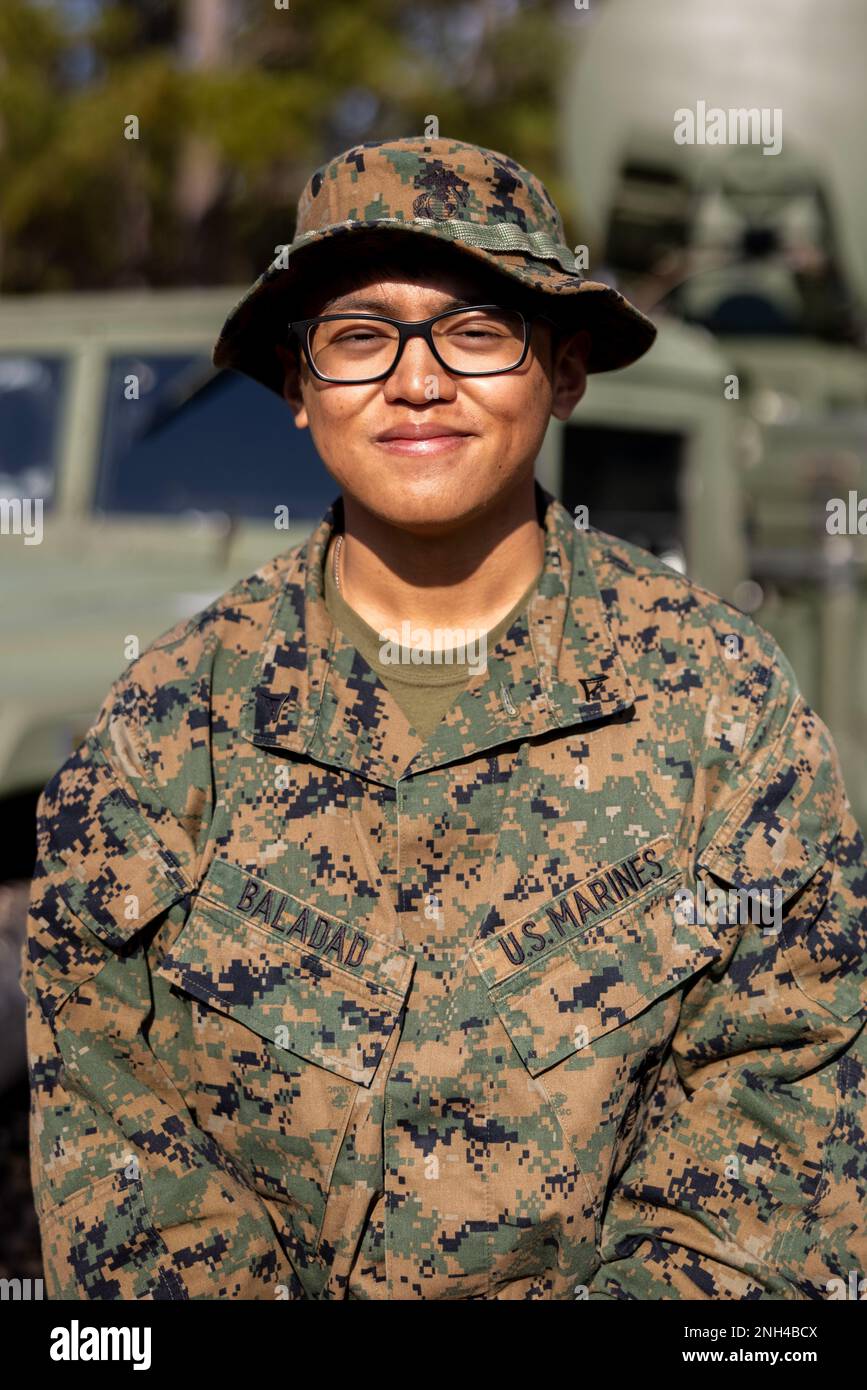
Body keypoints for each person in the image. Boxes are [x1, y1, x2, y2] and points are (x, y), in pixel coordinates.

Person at [21, 135, 866, 1301]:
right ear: (298, 390)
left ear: (563, 372)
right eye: (360, 338)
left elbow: (774, 1134)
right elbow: (121, 1149)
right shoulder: (162, 731)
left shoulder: (725, 711)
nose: (418, 382)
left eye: (477, 331)